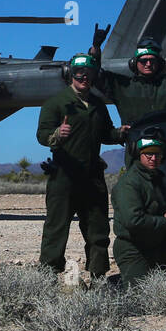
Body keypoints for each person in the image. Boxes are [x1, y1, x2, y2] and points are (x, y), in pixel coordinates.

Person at [36, 53, 126, 280]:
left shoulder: (98, 104)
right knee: (56, 228)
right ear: (70, 75)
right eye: (79, 73)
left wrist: (120, 134)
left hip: (92, 177)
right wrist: (58, 134)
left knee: (98, 228)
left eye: (89, 73)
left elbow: (106, 133)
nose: (84, 77)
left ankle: (98, 275)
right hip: (64, 176)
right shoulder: (55, 103)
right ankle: (48, 276)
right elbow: (42, 135)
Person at [89, 26, 166, 160]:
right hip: (136, 154)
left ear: (159, 63)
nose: (148, 63)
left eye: (152, 60)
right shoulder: (122, 86)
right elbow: (95, 75)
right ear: (135, 63)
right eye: (143, 60)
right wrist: (96, 49)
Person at [111, 125, 166, 284]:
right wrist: (164, 222)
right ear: (139, 155)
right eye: (148, 153)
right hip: (133, 249)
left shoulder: (158, 179)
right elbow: (133, 220)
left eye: (157, 154)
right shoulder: (130, 183)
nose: (153, 158)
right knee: (142, 297)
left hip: (158, 246)